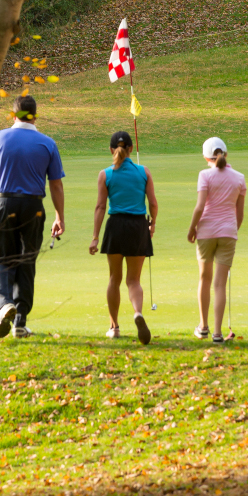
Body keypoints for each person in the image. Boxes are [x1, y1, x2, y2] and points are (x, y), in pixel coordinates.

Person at [0, 95, 64, 338]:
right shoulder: (47, 144)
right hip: (33, 206)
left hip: (3, 203)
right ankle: (20, 322)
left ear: (13, 115)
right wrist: (59, 216)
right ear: (35, 115)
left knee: (2, 259)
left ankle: (4, 306)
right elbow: (56, 185)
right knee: (26, 262)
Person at [88, 130, 157, 344]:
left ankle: (114, 326)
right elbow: (153, 203)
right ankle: (137, 313)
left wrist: (95, 237)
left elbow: (100, 206)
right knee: (134, 280)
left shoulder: (105, 174)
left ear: (111, 150)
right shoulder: (143, 171)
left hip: (115, 226)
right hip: (138, 226)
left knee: (114, 279)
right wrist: (152, 223)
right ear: (131, 149)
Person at [186, 136, 246, 343]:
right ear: (225, 154)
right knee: (220, 284)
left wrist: (192, 228)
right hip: (228, 232)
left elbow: (200, 207)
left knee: (205, 279)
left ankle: (203, 327)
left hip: (206, 232)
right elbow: (240, 215)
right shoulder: (239, 177)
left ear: (206, 156)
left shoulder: (204, 175)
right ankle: (218, 333)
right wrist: (232, 231)